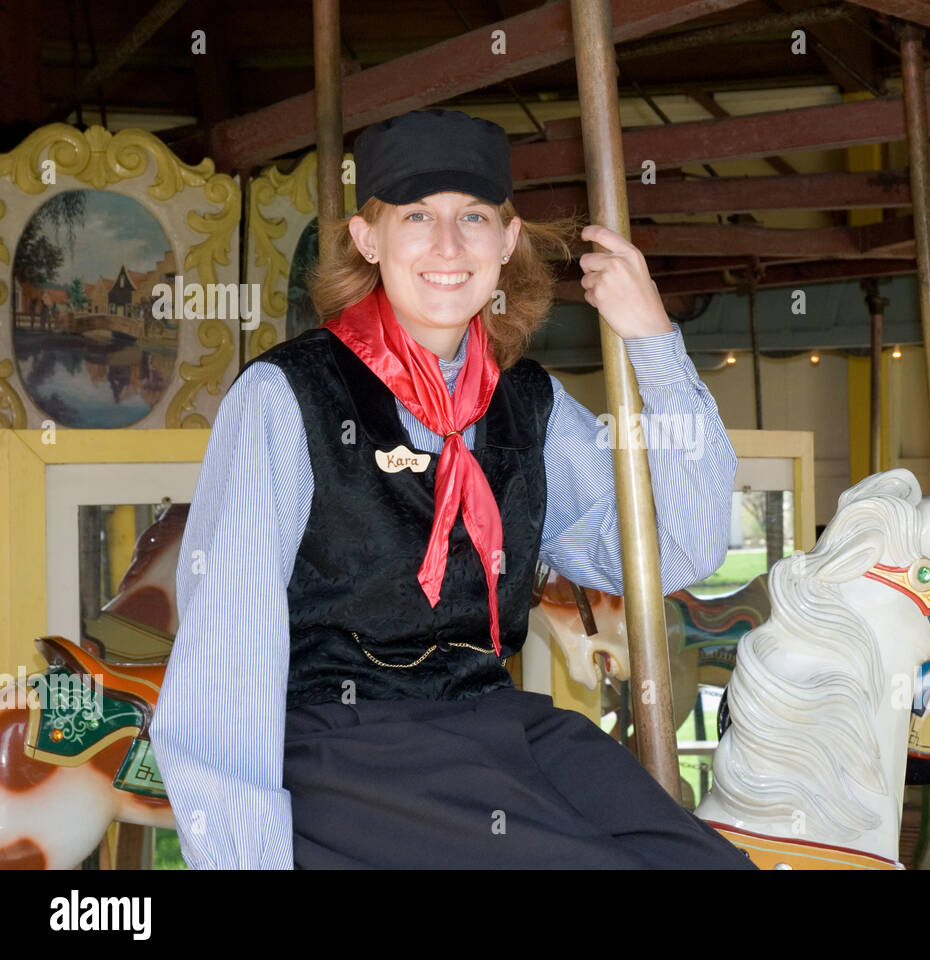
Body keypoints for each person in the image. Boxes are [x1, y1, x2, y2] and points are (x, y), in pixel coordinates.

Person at [149, 108, 756, 869]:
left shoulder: (527, 406)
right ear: (369, 240)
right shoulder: (287, 396)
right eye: (416, 215)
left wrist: (654, 343)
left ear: (507, 242)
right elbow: (225, 647)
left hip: (492, 723)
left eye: (473, 216)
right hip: (348, 743)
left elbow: (672, 553)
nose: (447, 245)